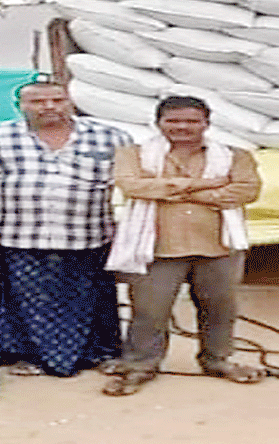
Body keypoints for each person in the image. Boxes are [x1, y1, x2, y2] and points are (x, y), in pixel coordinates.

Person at [101, 95, 263, 396]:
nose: (182, 127)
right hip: (155, 246)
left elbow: (246, 190)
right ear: (158, 122)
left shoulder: (235, 156)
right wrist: (207, 185)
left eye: (191, 121)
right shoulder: (133, 154)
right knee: (149, 311)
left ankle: (218, 360)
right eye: (173, 120)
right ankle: (139, 366)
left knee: (219, 308)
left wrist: (168, 189)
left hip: (219, 245)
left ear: (206, 123)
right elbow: (133, 186)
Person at [0, 74, 131, 376]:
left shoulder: (110, 137)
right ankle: (23, 355)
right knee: (26, 301)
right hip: (21, 235)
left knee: (89, 299)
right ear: (20, 105)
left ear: (70, 101)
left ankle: (97, 354)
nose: (49, 107)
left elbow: (128, 186)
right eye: (37, 101)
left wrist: (125, 233)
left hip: (88, 234)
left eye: (57, 100)